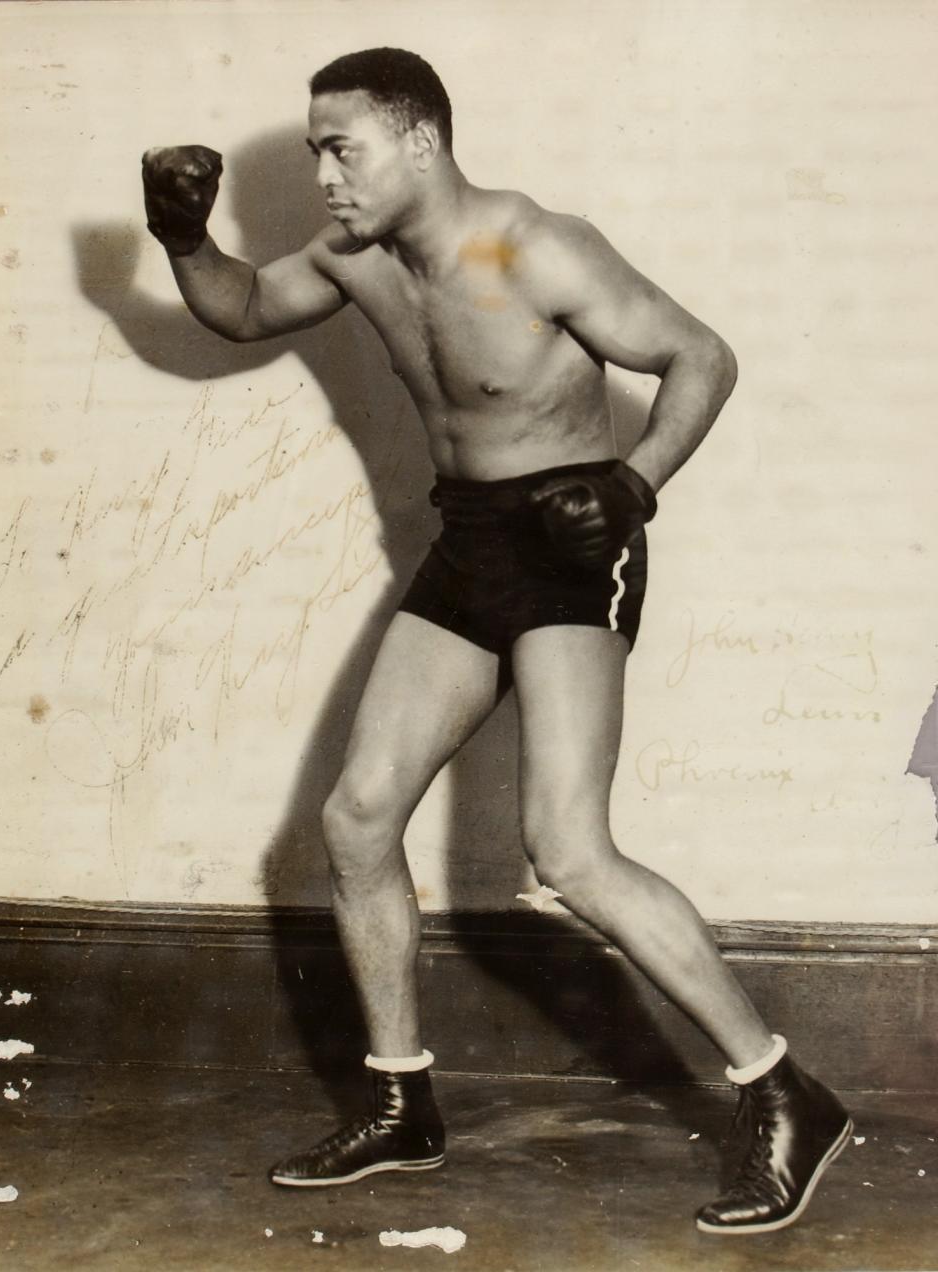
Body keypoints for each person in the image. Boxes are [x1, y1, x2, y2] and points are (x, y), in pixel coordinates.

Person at [141, 47, 852, 1235]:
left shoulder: (536, 248)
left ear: (420, 142)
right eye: (315, 153)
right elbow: (245, 308)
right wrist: (181, 238)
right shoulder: (353, 257)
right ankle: (401, 1103)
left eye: (342, 149)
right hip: (469, 542)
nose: (324, 177)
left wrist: (633, 484)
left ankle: (784, 1092)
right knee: (357, 818)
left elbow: (702, 355)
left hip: (574, 538)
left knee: (567, 850)